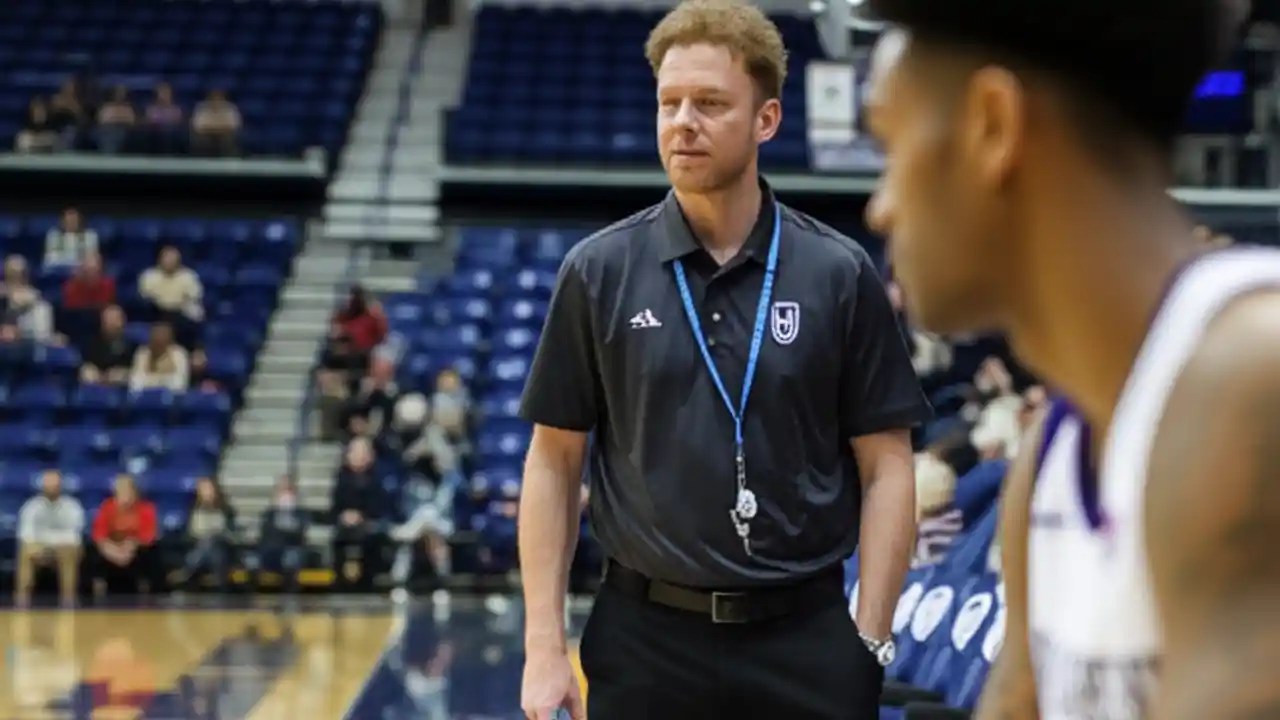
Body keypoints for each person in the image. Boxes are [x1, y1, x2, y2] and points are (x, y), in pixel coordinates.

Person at [857, 0, 1274, 718]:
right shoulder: (1053, 459)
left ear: (993, 125)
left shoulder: (1246, 385)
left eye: (891, 148)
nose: (880, 209)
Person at [517, 1, 930, 718]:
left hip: (806, 636)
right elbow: (554, 460)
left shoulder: (837, 272)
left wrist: (871, 639)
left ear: (766, 120)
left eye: (709, 104)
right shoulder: (598, 270)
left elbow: (888, 464)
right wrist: (543, 646)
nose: (683, 122)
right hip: (645, 640)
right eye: (669, 103)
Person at [15, 470, 85, 606]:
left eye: (55, 485)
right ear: (42, 487)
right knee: (25, 550)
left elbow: (74, 536)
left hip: (63, 548)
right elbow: (26, 534)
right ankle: (22, 598)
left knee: (71, 551)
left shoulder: (72, 506)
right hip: (38, 547)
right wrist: (41, 548)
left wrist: (53, 546)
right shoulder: (31, 506)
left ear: (61, 486)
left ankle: (68, 599)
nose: (52, 488)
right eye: (49, 485)